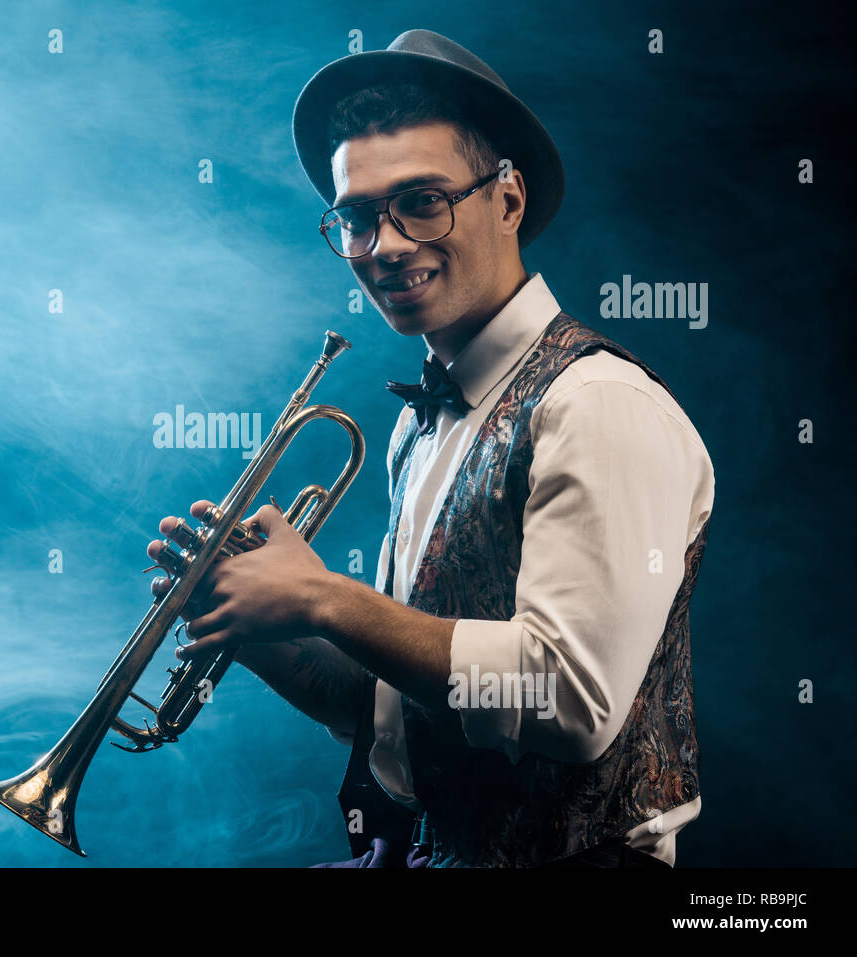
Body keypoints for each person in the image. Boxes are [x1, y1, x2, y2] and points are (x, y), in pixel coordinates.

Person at [147, 29, 714, 868]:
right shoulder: (421, 427)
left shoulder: (600, 405)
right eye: (356, 216)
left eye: (421, 200)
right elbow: (393, 706)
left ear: (509, 200)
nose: (384, 245)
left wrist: (326, 598)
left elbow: (566, 701)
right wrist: (255, 625)